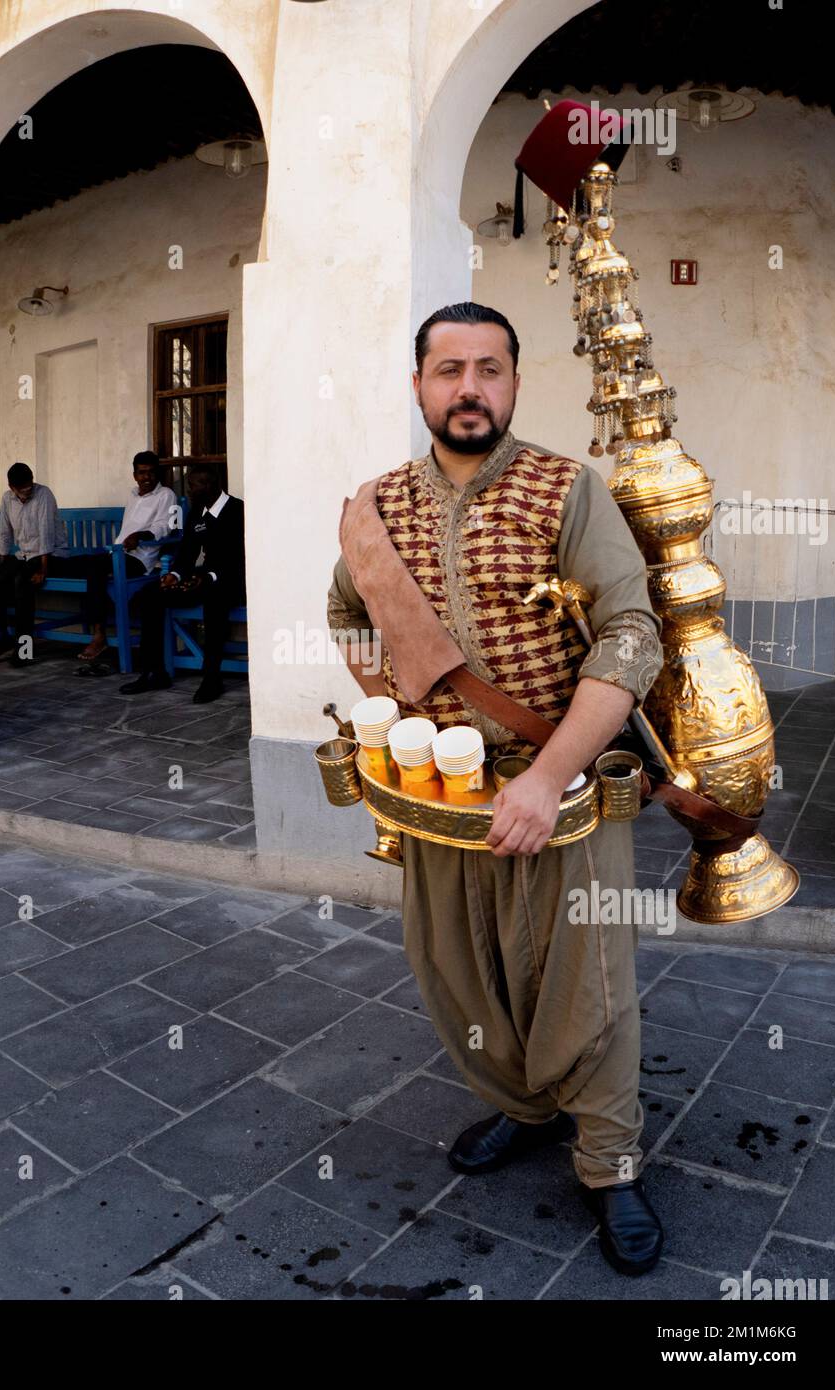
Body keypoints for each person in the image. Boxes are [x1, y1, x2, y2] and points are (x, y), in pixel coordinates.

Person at [326, 301, 666, 1276]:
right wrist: (395, 711)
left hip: (562, 795)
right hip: (440, 795)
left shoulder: (568, 489)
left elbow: (630, 632)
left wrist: (550, 770)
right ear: (420, 384)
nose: (468, 386)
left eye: (488, 368)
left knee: (588, 986)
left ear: (513, 383)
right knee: (458, 964)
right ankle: (524, 1107)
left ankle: (608, 1162)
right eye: (448, 369)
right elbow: (344, 611)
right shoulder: (375, 507)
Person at [120, 463, 245, 704]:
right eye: (189, 485)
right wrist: (175, 575)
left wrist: (207, 578)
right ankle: (154, 671)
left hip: (233, 581)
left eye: (193, 485)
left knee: (214, 599)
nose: (189, 490)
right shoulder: (197, 510)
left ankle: (212, 677)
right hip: (203, 577)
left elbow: (240, 557)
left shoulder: (237, 510)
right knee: (151, 594)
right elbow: (187, 552)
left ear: (212, 486)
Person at [74, 451, 177, 665]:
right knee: (77, 564)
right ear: (134, 475)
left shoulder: (165, 495)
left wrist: (140, 535)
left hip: (140, 560)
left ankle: (99, 634)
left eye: (150, 472)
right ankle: (97, 629)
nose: (146, 477)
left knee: (93, 567)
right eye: (141, 473)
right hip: (117, 554)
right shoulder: (133, 495)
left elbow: (165, 527)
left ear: (157, 473)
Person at [0, 462, 70, 669]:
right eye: (22, 489)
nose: (27, 491)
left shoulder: (44, 495)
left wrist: (43, 569)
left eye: (29, 486)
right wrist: (3, 565)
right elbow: (5, 532)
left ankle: (25, 650)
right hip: (24, 556)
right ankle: (1, 636)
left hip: (51, 554)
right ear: (12, 487)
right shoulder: (7, 499)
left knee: (23, 583)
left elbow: (46, 532)